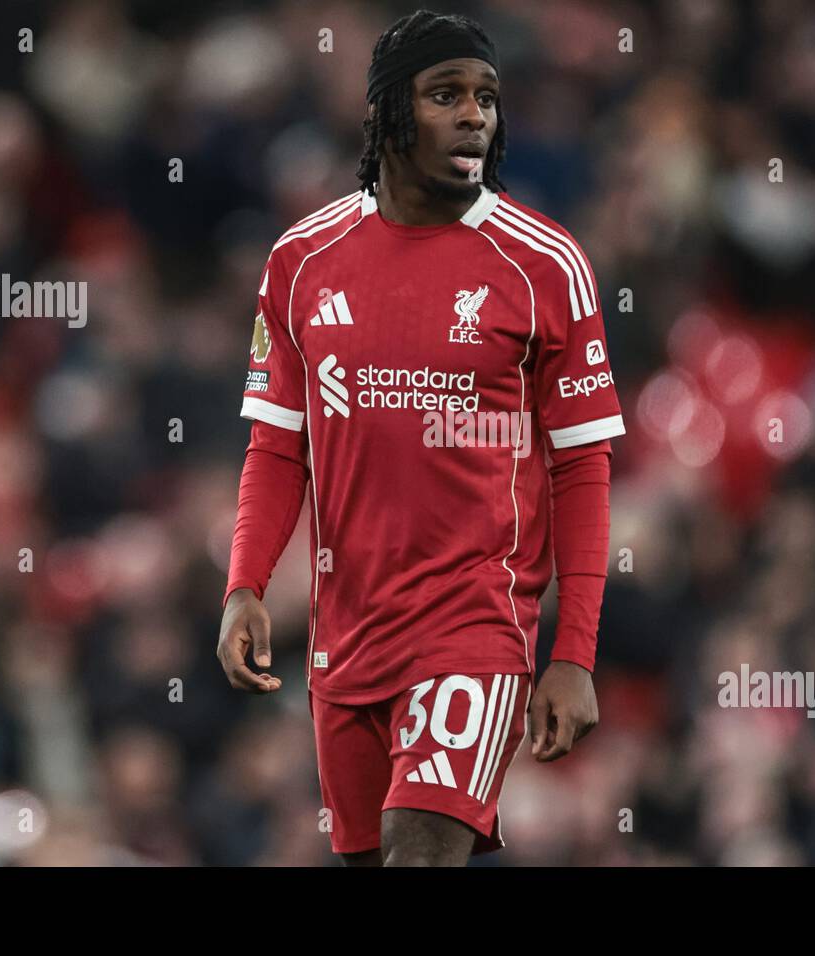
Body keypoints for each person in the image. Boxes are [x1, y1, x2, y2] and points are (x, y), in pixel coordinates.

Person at [217, 9, 624, 866]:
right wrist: (245, 583)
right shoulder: (303, 260)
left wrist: (573, 653)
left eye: (486, 97)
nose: (475, 114)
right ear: (384, 117)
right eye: (446, 95)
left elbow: (582, 465)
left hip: (475, 623)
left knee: (419, 852)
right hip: (348, 634)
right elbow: (277, 446)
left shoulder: (544, 264)